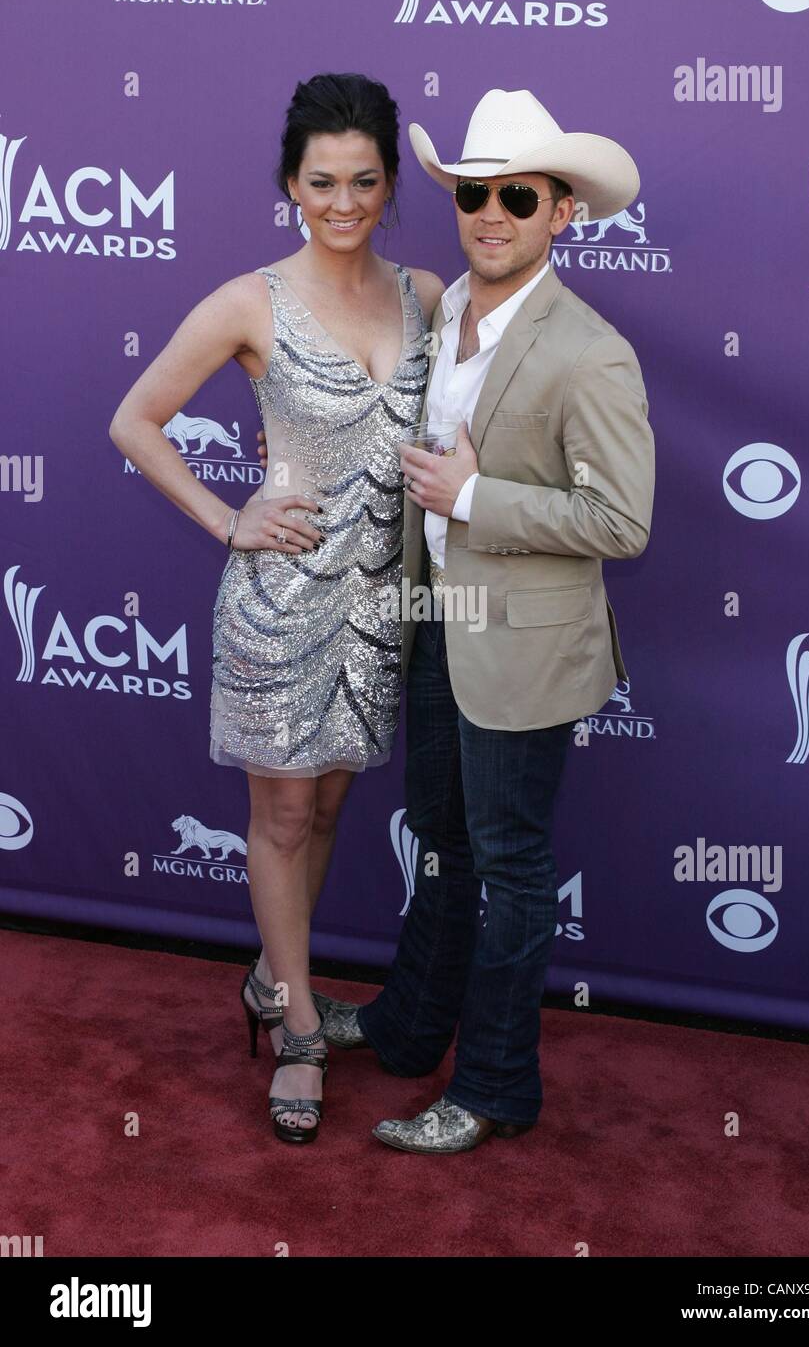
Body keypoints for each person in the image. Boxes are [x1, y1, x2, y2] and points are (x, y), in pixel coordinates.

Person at [310, 88, 656, 1152]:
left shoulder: (586, 350)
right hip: (436, 625)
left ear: (561, 213)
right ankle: (411, 1029)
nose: (490, 211)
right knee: (445, 853)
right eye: (472, 192)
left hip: (525, 652)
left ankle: (497, 1084)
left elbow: (621, 517)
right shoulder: (439, 310)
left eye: (516, 194)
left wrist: (470, 497)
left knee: (508, 871)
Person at [109, 72, 443, 1144]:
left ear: (389, 186)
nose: (340, 203)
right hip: (279, 599)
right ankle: (299, 1031)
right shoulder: (250, 299)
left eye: (362, 181)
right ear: (289, 183)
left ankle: (271, 974)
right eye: (318, 181)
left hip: (379, 606)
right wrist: (226, 517)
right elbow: (136, 420)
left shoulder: (425, 297)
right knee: (282, 815)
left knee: (335, 806)